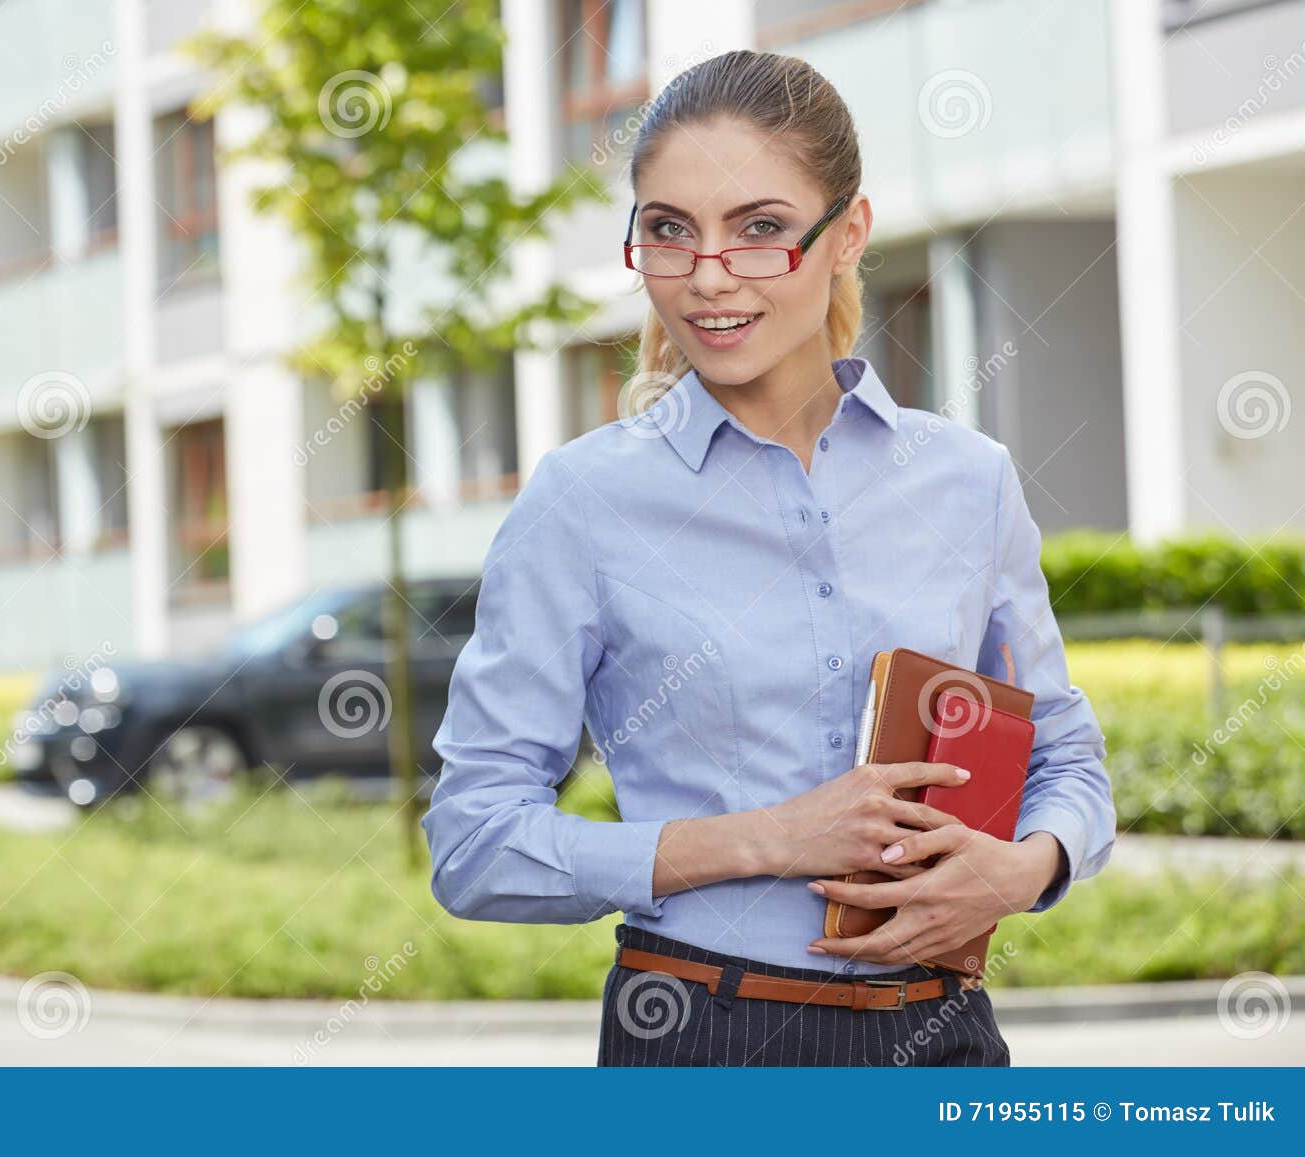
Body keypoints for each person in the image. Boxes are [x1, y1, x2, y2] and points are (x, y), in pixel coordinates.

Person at [420, 49, 1116, 1067]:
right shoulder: (584, 501)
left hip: (945, 1037)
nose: (708, 277)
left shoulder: (968, 480)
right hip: (703, 1036)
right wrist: (765, 838)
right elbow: (474, 843)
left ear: (849, 234)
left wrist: (1022, 866)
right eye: (669, 232)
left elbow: (1065, 754)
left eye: (758, 230)